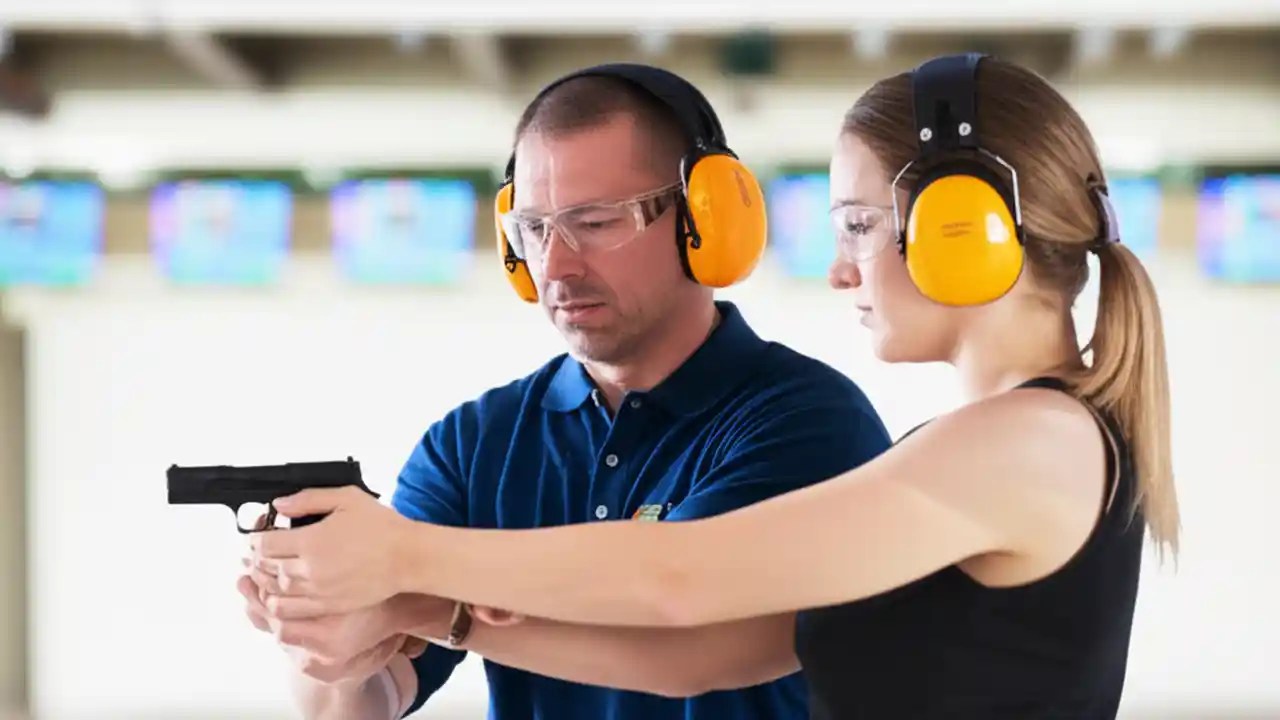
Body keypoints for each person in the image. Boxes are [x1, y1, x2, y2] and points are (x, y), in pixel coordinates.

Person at [249, 52, 1182, 719]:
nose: (841, 269)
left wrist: (404, 556)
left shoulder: (1023, 443)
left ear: (962, 225)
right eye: (538, 227)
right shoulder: (992, 444)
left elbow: (679, 577)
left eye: (860, 222)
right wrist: (426, 608)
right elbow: (707, 654)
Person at [238, 63, 892, 719]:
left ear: (703, 217)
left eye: (597, 222)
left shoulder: (810, 422)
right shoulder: (472, 443)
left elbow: (675, 615)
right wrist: (317, 622)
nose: (554, 264)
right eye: (534, 228)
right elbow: (361, 703)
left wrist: (415, 580)